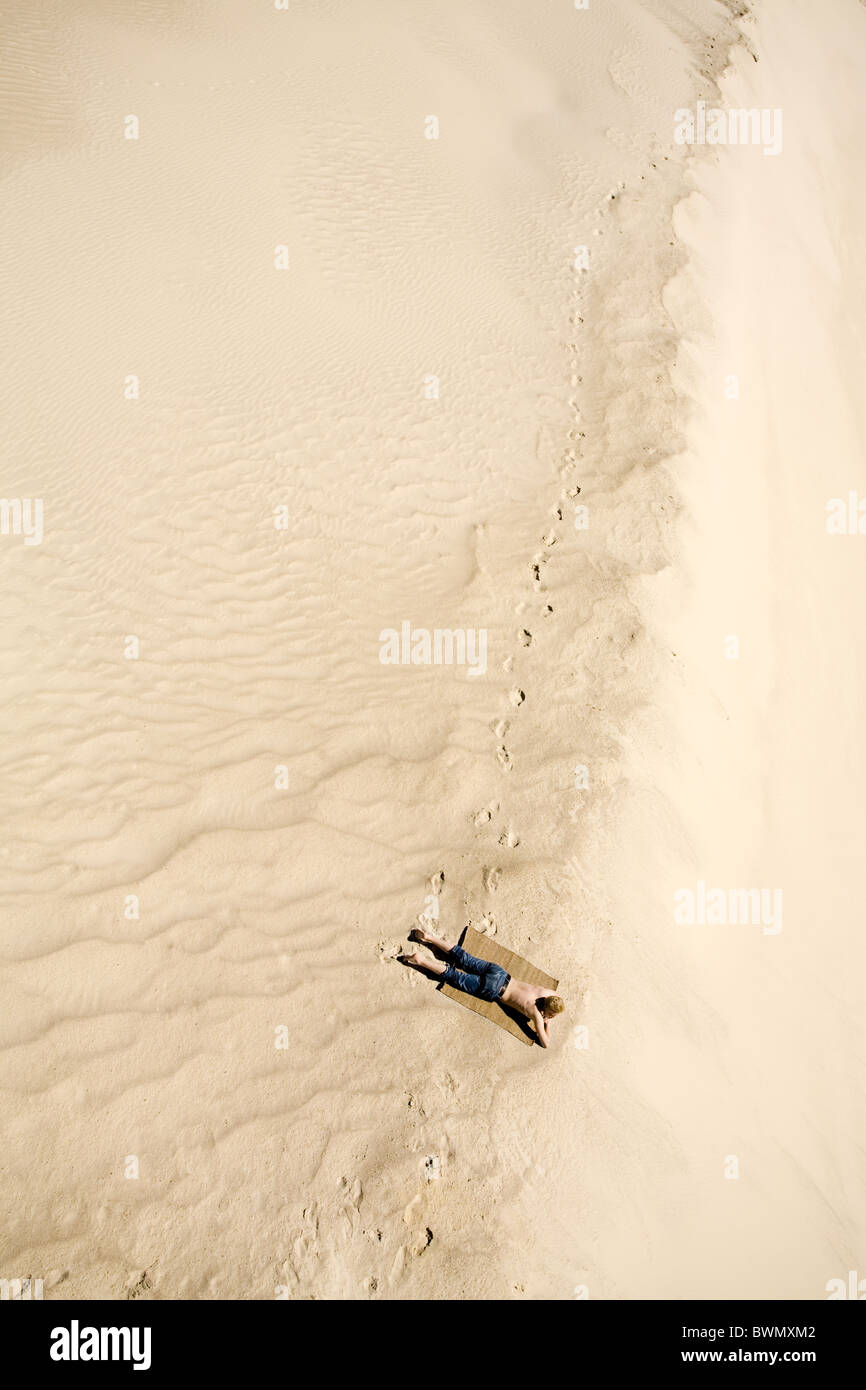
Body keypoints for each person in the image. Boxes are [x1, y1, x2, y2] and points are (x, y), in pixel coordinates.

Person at [402, 925, 564, 1048]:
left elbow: (556, 998)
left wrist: (550, 1009)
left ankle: (430, 937)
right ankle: (422, 961)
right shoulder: (535, 1013)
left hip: (500, 973)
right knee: (456, 977)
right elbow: (546, 1043)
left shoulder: (546, 992)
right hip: (494, 990)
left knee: (464, 957)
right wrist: (547, 1024)